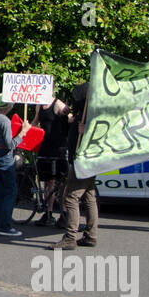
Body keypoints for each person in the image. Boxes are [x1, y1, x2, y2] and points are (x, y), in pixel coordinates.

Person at [52, 81, 98, 251]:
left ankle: (70, 237)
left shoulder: (90, 116)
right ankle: (91, 235)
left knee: (71, 197)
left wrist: (85, 131)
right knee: (89, 197)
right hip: (86, 161)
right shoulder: (85, 113)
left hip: (84, 161)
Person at [0, 95, 28, 238]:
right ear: (8, 107)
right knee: (10, 192)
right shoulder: (4, 121)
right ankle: (5, 225)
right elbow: (10, 144)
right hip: (5, 160)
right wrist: (23, 132)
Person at [32, 95, 72, 225]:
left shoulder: (57, 104)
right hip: (45, 148)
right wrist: (27, 131)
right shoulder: (39, 105)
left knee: (61, 183)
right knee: (48, 183)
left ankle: (64, 213)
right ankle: (48, 213)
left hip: (58, 148)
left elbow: (68, 117)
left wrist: (68, 113)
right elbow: (36, 121)